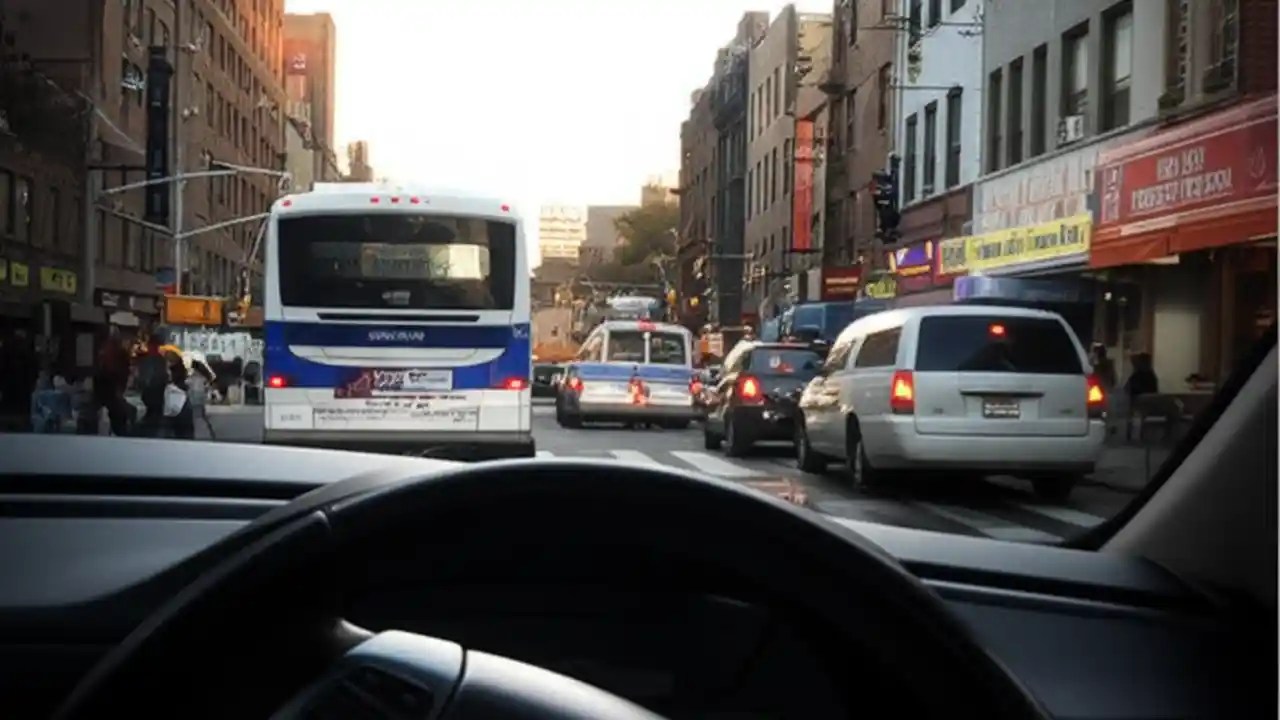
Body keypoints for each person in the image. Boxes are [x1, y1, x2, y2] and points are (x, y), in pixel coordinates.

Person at [133, 335, 172, 437]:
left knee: (153, 414)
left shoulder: (147, 359)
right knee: (155, 415)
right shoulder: (158, 360)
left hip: (152, 391)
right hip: (155, 391)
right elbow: (162, 376)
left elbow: (142, 377)